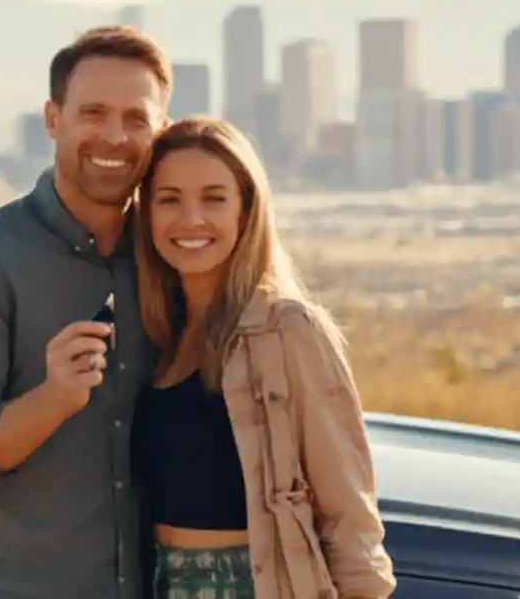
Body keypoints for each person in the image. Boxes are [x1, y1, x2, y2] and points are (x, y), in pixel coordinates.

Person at [0, 25, 172, 598]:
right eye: (94, 113)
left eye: (136, 119)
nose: (114, 136)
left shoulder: (166, 260)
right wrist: (52, 401)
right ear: (53, 120)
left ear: (163, 131)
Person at [131, 117, 396, 598]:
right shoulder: (154, 336)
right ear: (146, 213)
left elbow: (349, 511)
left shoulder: (289, 331)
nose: (191, 219)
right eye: (169, 199)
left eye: (214, 198)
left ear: (246, 210)